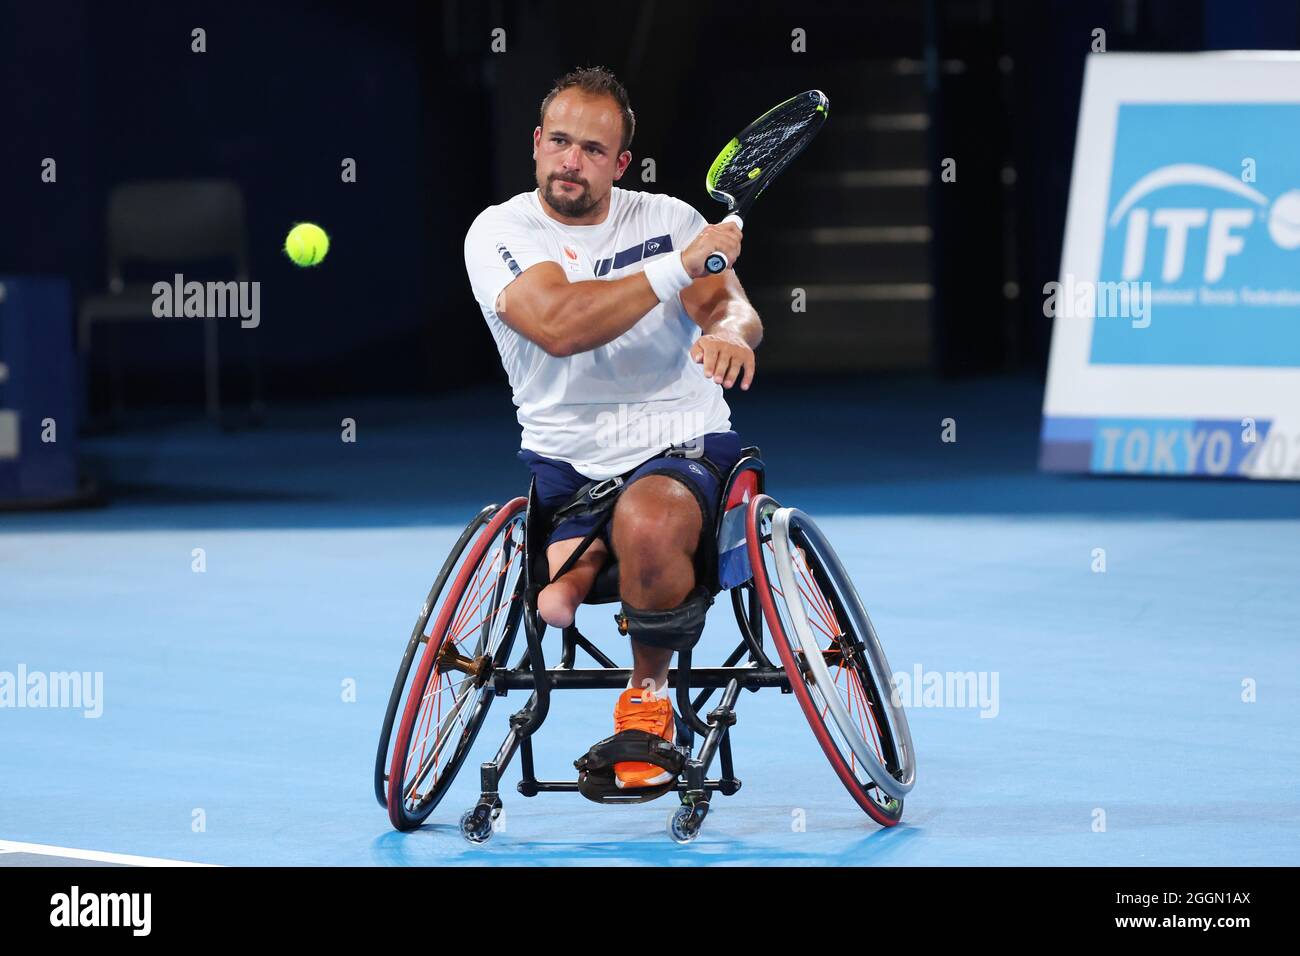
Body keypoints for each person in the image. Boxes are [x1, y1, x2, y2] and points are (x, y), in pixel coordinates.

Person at [463, 65, 762, 789]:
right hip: (568, 459)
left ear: (620, 162)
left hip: (679, 437)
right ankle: (575, 566)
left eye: (593, 150)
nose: (572, 161)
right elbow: (558, 326)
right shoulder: (499, 230)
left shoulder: (670, 221)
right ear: (536, 144)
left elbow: (732, 306)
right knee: (576, 546)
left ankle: (647, 703)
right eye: (560, 142)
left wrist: (733, 334)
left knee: (648, 521)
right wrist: (674, 272)